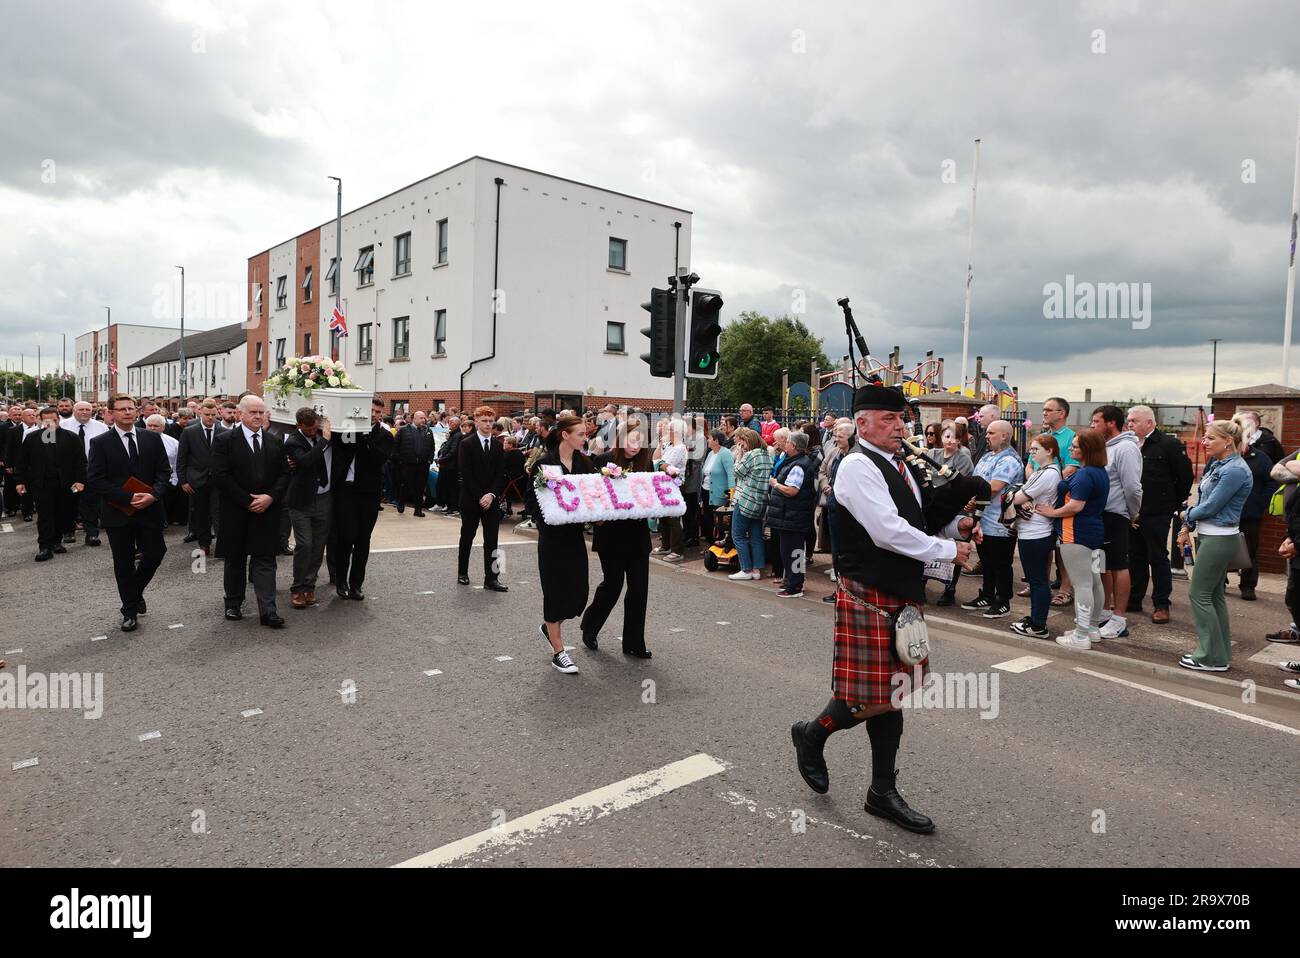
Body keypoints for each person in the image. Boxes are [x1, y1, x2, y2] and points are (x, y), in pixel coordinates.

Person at [789, 383, 982, 835]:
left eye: (903, 419)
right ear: (862, 423)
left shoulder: (900, 464)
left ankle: (880, 791)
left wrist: (957, 521)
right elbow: (887, 532)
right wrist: (945, 551)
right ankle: (815, 734)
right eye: (890, 419)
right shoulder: (857, 466)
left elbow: (915, 518)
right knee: (872, 696)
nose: (901, 427)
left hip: (899, 590)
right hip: (870, 590)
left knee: (892, 694)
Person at [86, 395, 171, 633]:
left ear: (137, 412)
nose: (127, 412)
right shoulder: (100, 442)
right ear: (111, 413)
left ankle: (134, 593)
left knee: (156, 553)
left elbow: (164, 472)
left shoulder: (152, 438)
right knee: (123, 562)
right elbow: (95, 479)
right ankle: (129, 610)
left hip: (149, 509)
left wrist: (153, 494)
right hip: (118, 512)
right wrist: (126, 498)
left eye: (130, 408)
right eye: (121, 409)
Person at [1175, 419, 1253, 672]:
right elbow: (1203, 501)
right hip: (1212, 535)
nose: (1204, 442)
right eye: (1205, 437)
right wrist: (1190, 524)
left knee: (1199, 594)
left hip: (1220, 537)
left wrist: (1187, 516)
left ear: (1228, 441)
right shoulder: (1220, 464)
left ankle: (1210, 656)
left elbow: (1211, 506)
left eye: (1210, 438)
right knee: (1214, 595)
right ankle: (1219, 655)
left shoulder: (1235, 470)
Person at [211, 395, 291, 628]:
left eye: (261, 412)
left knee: (265, 560)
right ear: (240, 413)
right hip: (236, 511)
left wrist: (270, 497)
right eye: (253, 412)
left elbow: (285, 474)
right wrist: (247, 501)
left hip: (267, 511)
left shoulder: (274, 442)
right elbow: (220, 475)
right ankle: (233, 603)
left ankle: (268, 610)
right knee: (235, 559)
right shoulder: (224, 440)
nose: (258, 416)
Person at [580, 418, 654, 658]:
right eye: (632, 439)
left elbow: (651, 495)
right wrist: (596, 518)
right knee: (612, 586)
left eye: (640, 440)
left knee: (639, 589)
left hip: (637, 535)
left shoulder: (647, 463)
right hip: (611, 535)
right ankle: (590, 625)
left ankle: (634, 643)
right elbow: (591, 494)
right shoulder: (604, 461)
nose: (636, 445)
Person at [1036, 430, 1109, 649]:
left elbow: (1076, 505)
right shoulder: (1099, 472)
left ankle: (1081, 636)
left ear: (1087, 449)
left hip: (1076, 534)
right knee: (1095, 581)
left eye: (1075, 446)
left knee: (1083, 584)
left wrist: (1051, 512)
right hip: (1094, 533)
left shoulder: (1086, 474)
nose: (1070, 448)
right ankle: (1091, 629)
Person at [532, 414, 592, 674]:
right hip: (552, 539)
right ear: (565, 435)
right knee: (555, 593)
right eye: (580, 433)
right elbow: (533, 500)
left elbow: (593, 494)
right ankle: (559, 651)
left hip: (575, 537)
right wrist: (549, 522)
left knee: (578, 594)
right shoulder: (546, 464)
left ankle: (549, 626)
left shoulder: (584, 462)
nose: (584, 437)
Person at [1125, 405, 1193, 624]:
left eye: (1134, 420)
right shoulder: (1130, 445)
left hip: (1157, 512)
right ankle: (1134, 599)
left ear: (1149, 422)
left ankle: (1161, 604)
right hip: (1133, 512)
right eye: (1129, 420)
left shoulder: (1168, 445)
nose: (1130, 423)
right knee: (1135, 557)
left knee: (1157, 557)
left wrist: (1170, 505)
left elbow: (1184, 478)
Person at [331, 398, 395, 600]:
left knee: (362, 539)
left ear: (382, 414)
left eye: (378, 411)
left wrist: (366, 436)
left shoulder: (384, 436)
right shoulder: (349, 430)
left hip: (368, 493)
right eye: (371, 410)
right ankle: (340, 580)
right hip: (346, 491)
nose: (374, 414)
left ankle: (356, 584)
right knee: (346, 536)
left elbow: (377, 459)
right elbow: (341, 450)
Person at [1089, 405, 1143, 639]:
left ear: (1111, 423)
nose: (1093, 426)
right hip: (1101, 514)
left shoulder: (1126, 448)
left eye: (1096, 421)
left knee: (1119, 565)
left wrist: (1132, 513)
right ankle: (1104, 611)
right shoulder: (1106, 447)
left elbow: (1132, 487)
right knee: (1102, 565)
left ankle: (1119, 618)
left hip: (1116, 514)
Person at [962, 420, 1023, 618]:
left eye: (991, 433)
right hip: (981, 519)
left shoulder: (1010, 460)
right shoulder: (987, 456)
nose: (986, 436)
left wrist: (973, 500)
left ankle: (1002, 600)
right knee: (986, 560)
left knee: (1001, 562)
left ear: (1004, 435)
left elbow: (994, 487)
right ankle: (987, 595)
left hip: (999, 522)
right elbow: (975, 481)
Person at [15, 407, 86, 561]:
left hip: (65, 484)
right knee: (45, 515)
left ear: (58, 420)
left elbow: (81, 462)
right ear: (40, 420)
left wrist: (80, 480)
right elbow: (22, 462)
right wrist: (19, 481)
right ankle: (45, 547)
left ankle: (56, 542)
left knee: (63, 513)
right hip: (41, 484)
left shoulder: (71, 437)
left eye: (53, 420)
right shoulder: (32, 438)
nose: (50, 423)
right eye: (46, 420)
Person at [1009, 435, 1062, 638]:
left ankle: (1038, 625)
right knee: (1037, 580)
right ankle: (1034, 619)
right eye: (1030, 449)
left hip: (1036, 532)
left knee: (1038, 580)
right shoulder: (1044, 472)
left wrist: (1017, 497)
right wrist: (1019, 497)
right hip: (1034, 531)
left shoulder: (1048, 473)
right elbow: (1021, 496)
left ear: (1049, 451)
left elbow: (1016, 497)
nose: (1031, 453)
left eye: (1035, 449)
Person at [283, 407, 335, 610]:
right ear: (298, 425)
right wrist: (324, 440)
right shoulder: (293, 441)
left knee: (318, 546)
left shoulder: (322, 434)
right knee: (304, 545)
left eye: (316, 428)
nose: (314, 432)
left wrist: (326, 434)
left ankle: (309, 586)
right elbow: (305, 461)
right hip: (301, 502)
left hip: (324, 499)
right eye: (309, 429)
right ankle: (297, 589)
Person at [457, 405, 509, 592]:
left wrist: (491, 495)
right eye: (484, 421)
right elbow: (466, 473)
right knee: (467, 537)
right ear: (476, 422)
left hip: (491, 500)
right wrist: (480, 495)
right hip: (471, 500)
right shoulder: (466, 443)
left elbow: (500, 474)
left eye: (490, 421)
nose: (488, 425)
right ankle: (462, 572)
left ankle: (492, 578)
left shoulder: (497, 444)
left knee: (493, 540)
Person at [766, 430, 817, 598]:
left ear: (793, 446)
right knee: (788, 551)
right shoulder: (794, 461)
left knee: (794, 552)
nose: (785, 443)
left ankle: (795, 586)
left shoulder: (798, 466)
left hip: (793, 515)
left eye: (787, 441)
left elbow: (792, 491)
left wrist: (775, 484)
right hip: (788, 515)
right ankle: (790, 581)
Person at [1232, 412, 1273, 601]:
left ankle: (1248, 586)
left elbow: (1270, 484)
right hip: (1225, 515)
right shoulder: (1221, 457)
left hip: (1250, 515)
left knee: (1249, 552)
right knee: (1221, 549)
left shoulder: (1262, 459)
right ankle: (1219, 581)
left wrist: (1259, 505)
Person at [177, 400, 224, 557]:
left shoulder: (223, 431)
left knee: (219, 513)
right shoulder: (189, 432)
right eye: (207, 415)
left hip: (219, 480)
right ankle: (204, 544)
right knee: (201, 513)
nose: (210, 418)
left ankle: (223, 544)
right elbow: (182, 458)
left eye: (213, 415)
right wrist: (183, 480)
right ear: (200, 413)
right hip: (197, 480)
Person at [60, 401, 109, 546]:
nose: (85, 412)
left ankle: (92, 534)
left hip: (92, 471)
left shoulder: (101, 427)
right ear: (74, 410)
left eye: (88, 409)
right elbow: (48, 445)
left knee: (91, 503)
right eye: (81, 409)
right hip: (69, 472)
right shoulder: (61, 425)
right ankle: (68, 531)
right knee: (69, 501)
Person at [819, 419, 855, 602]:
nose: (836, 439)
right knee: (836, 550)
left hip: (848, 511)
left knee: (846, 551)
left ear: (850, 437)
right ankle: (839, 590)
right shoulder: (834, 452)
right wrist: (826, 486)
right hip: (833, 506)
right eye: (835, 436)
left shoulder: (856, 457)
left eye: (839, 436)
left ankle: (848, 591)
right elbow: (822, 471)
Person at [729, 427, 770, 581]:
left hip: (745, 500)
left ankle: (745, 569)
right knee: (756, 536)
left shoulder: (750, 455)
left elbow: (736, 472)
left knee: (738, 535)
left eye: (741, 443)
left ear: (747, 441)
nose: (740, 446)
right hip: (760, 501)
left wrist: (739, 456)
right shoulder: (765, 454)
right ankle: (756, 569)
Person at [652, 418, 688, 560]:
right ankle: (665, 545)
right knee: (664, 517)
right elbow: (655, 458)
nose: (668, 431)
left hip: (675, 484)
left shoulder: (680, 448)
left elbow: (665, 464)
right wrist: (661, 443)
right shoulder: (669, 445)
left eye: (671, 429)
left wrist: (659, 462)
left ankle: (677, 550)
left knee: (673, 518)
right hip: (664, 483)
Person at [393, 410, 435, 516]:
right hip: (407, 464)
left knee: (420, 487)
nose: (423, 420)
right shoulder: (403, 430)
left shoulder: (428, 430)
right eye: (421, 418)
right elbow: (395, 447)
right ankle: (401, 502)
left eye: (424, 418)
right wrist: (400, 460)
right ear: (414, 419)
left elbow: (432, 447)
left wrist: (429, 459)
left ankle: (418, 510)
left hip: (423, 464)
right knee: (406, 485)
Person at [700, 427, 734, 547]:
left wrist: (731, 494)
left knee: (719, 523)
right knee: (708, 521)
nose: (707, 440)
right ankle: (711, 547)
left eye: (709, 438)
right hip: (706, 491)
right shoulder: (710, 453)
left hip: (719, 493)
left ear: (716, 440)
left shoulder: (726, 454)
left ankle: (719, 547)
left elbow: (731, 474)